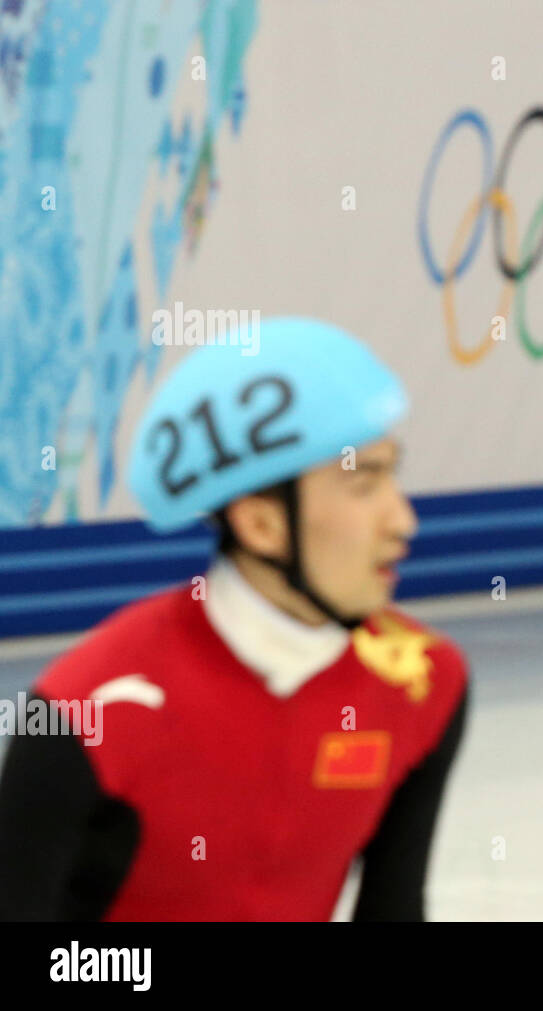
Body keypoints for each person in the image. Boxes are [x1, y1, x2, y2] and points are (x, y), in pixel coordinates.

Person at [0, 317, 469, 921]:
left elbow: (394, 908)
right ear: (261, 525)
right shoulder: (81, 706)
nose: (402, 521)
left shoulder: (425, 681)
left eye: (392, 475)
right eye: (363, 484)